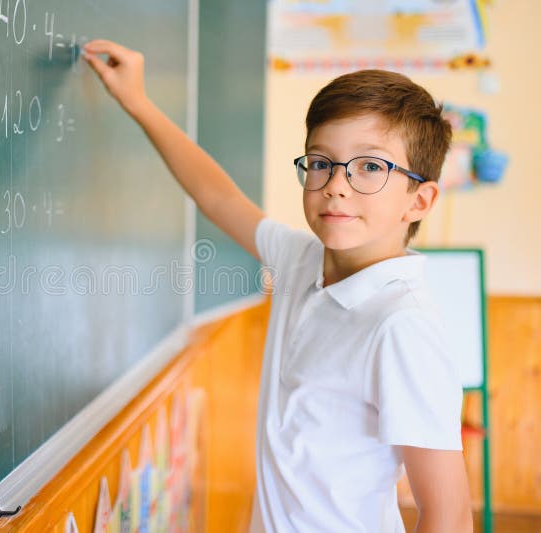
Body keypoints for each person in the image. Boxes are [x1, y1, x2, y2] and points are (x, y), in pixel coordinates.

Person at [81, 40, 473, 532]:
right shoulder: (300, 260)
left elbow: (449, 514)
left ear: (419, 200)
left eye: (370, 166)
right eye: (321, 161)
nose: (336, 184)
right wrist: (137, 101)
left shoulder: (402, 326)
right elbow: (217, 196)